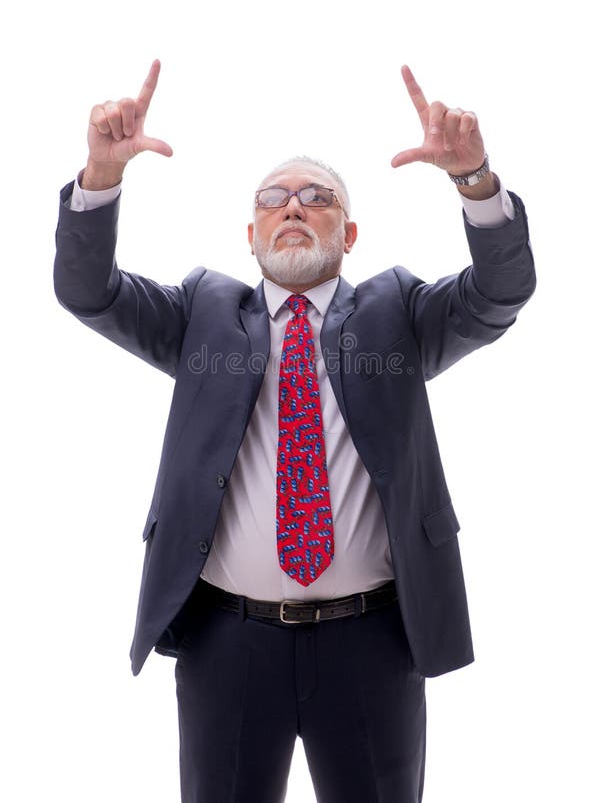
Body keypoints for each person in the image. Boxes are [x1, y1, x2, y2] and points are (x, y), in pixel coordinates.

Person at [53, 60, 536, 803]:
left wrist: (473, 179)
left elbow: (499, 293)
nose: (294, 207)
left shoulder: (397, 310)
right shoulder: (201, 312)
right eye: (274, 199)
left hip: (373, 640)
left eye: (317, 199)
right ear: (250, 234)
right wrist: (100, 174)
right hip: (227, 643)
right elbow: (90, 292)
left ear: (347, 233)